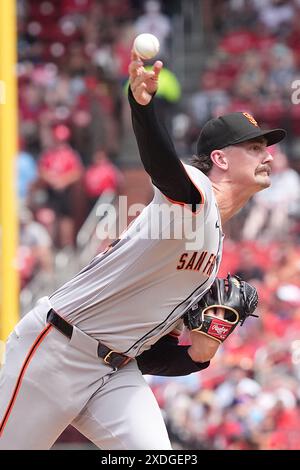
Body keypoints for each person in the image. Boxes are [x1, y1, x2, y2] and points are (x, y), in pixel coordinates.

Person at [0, 51, 286, 450]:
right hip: (55, 353)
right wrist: (143, 106)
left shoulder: (214, 242)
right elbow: (162, 164)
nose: (267, 155)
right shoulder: (195, 192)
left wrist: (199, 356)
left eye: (265, 148)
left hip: (114, 370)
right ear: (219, 159)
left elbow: (150, 354)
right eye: (255, 148)